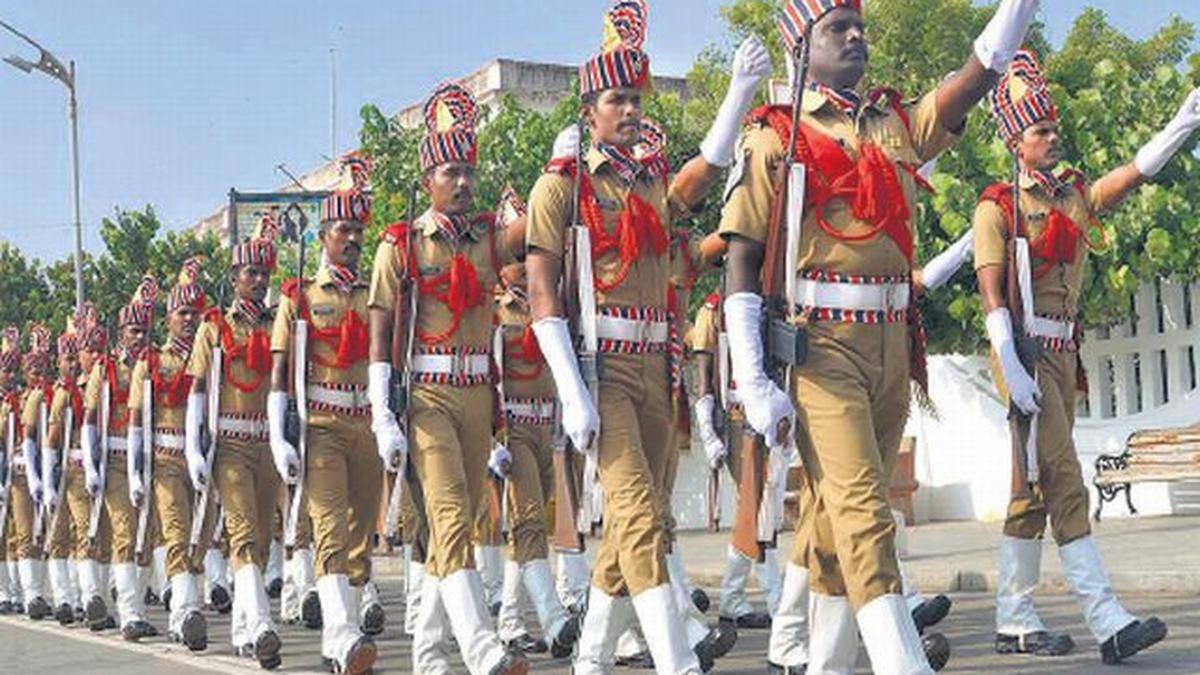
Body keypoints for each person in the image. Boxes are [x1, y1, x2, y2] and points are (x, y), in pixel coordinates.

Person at [718, 0, 1041, 672]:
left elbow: (975, 77)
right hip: (822, 346)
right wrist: (751, 378)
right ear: (801, 46)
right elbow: (741, 262)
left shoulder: (892, 122)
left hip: (893, 342)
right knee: (866, 514)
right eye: (837, 27)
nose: (855, 35)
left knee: (835, 526)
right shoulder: (772, 136)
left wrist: (1020, 7)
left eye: (857, 25)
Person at [974, 49, 1198, 665]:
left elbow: (1125, 179)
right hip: (1022, 353)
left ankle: (1014, 619)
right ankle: (1108, 620)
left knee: (1029, 491)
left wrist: (1179, 128)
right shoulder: (997, 205)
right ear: (1016, 142)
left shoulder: (1070, 193)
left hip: (1060, 353)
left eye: (1054, 129)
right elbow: (991, 290)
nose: (1053, 138)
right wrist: (1009, 363)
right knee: (1064, 478)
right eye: (1041, 131)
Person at [367, 82, 529, 675]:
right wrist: (383, 415)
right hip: (427, 398)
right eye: (449, 172)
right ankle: (483, 651)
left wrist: (559, 174)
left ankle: (430, 656)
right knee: (451, 517)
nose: (462, 182)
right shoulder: (402, 246)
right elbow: (382, 335)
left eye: (468, 171)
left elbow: (532, 233)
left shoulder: (486, 238)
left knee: (452, 527)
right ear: (427, 178)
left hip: (476, 398)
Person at [270, 157, 380, 675]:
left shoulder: (375, 293)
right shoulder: (301, 297)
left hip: (367, 425)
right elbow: (280, 372)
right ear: (323, 237)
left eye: (358, 230)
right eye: (343, 230)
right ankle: (341, 632)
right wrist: (281, 435)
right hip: (322, 428)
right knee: (330, 528)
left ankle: (345, 635)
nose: (353, 238)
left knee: (361, 534)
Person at [187, 216, 285, 668]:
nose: (259, 281)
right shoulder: (213, 328)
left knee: (262, 539)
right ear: (234, 277)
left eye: (264, 273)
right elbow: (198, 390)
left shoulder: (278, 322)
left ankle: (244, 628)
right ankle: (263, 624)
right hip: (229, 444)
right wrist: (195, 448)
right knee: (242, 531)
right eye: (251, 273)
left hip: (268, 443)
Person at [84, 277, 160, 640]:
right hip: (115, 459)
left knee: (149, 534)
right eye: (134, 331)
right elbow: (89, 420)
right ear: (121, 332)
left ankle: (135, 606)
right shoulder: (105, 368)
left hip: (150, 458)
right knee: (125, 532)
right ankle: (129, 613)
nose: (140, 337)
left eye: (145, 330)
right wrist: (92, 467)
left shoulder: (155, 362)